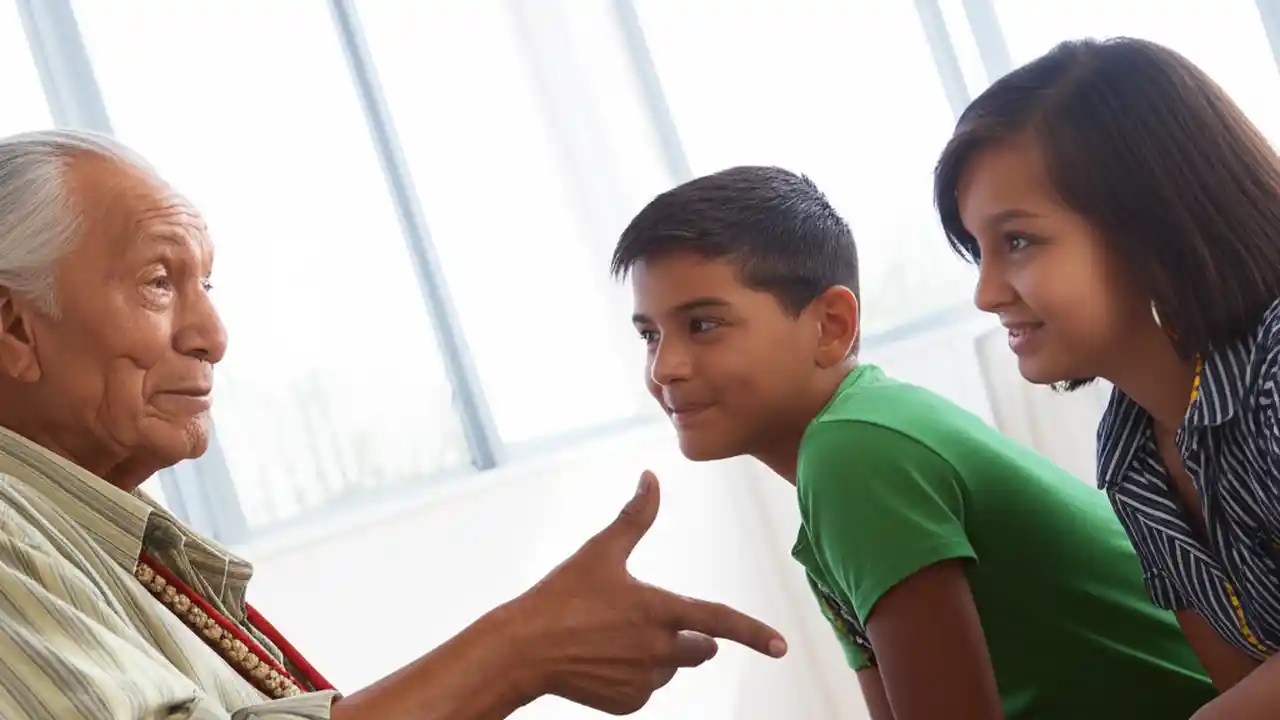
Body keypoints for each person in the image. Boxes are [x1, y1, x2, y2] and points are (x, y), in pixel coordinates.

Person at [0, 129, 789, 720]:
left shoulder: (105, 540)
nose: (211, 334)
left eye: (204, 284)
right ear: (13, 327)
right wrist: (520, 649)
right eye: (157, 282)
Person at [611, 165, 1215, 720]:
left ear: (831, 326)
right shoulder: (845, 457)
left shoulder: (855, 451)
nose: (666, 368)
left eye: (703, 325)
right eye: (649, 335)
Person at [933, 37, 1280, 719]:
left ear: (1155, 223)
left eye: (1018, 241)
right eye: (977, 249)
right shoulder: (1129, 457)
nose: (987, 292)